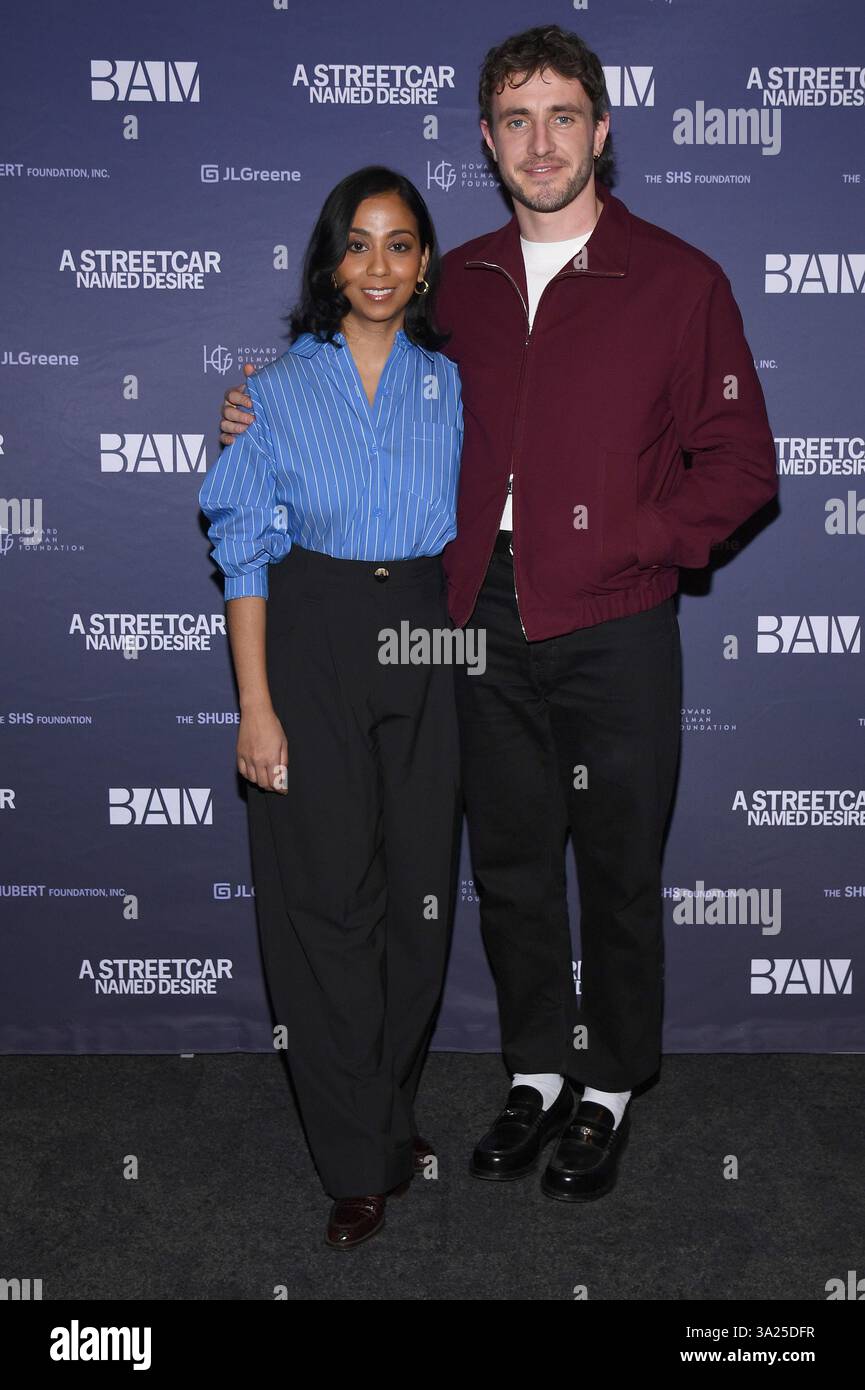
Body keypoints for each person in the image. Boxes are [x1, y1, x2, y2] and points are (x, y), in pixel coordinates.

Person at [219, 26, 778, 1204]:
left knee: (617, 868)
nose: (541, 141)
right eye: (515, 120)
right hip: (473, 619)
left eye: (562, 116)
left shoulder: (681, 281)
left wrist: (638, 541)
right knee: (514, 865)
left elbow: (740, 469)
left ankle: (611, 1083)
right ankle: (535, 1068)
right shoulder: (453, 281)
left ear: (601, 132)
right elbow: (356, 364)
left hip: (618, 621)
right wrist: (253, 410)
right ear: (486, 140)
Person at [199, 166, 464, 1248]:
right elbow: (244, 554)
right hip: (307, 633)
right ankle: (354, 1160)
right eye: (357, 244)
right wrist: (255, 707)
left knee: (418, 903)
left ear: (425, 264)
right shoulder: (266, 392)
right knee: (322, 907)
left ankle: (390, 1110)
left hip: (427, 632)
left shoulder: (454, 383)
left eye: (400, 245)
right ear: (327, 261)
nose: (377, 266)